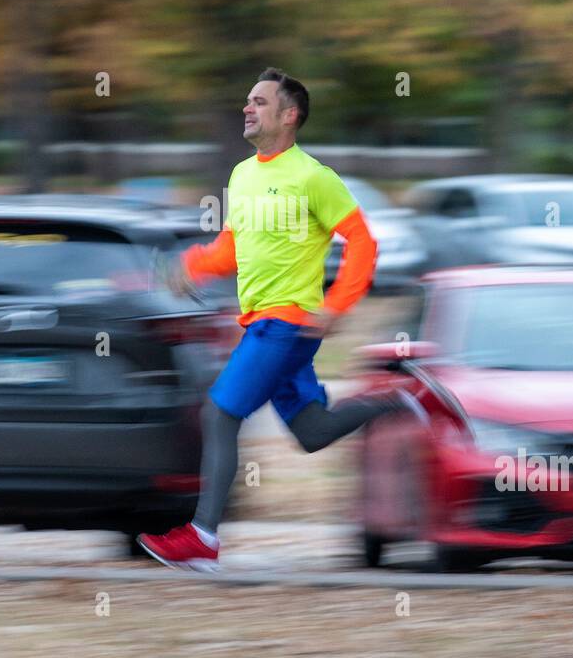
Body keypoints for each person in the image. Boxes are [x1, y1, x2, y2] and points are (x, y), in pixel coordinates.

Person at [139, 67, 422, 571]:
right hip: (262, 324)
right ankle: (399, 401)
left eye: (260, 102)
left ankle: (203, 537)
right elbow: (233, 247)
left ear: (289, 116)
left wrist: (336, 306)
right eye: (247, 100)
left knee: (219, 413)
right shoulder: (243, 174)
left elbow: (362, 241)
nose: (247, 108)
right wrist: (191, 268)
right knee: (312, 432)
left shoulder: (313, 177)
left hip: (286, 323)